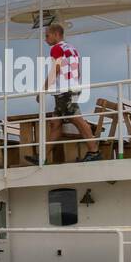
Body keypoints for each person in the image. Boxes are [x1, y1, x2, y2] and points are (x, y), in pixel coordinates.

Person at [39, 22, 100, 162]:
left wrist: (43, 90)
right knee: (56, 123)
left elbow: (56, 69)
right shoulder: (71, 47)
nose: (45, 39)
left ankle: (94, 151)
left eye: (47, 36)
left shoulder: (56, 48)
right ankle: (42, 157)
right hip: (72, 87)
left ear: (56, 34)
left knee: (76, 119)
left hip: (65, 90)